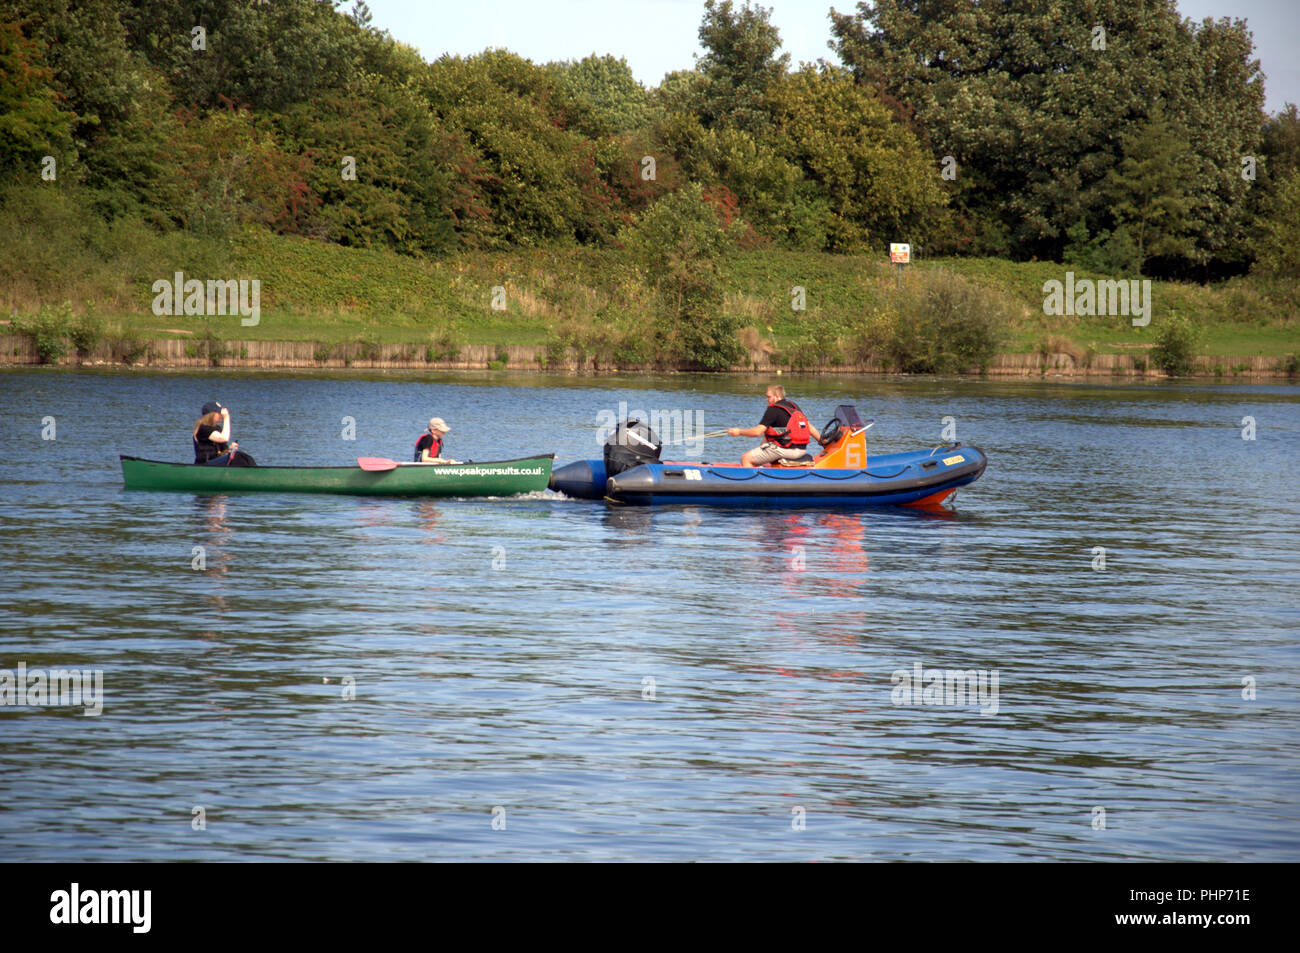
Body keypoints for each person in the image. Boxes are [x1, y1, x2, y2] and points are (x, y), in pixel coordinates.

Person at [727, 385, 822, 467]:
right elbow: (809, 427)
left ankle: (752, 485)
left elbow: (757, 432)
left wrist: (739, 432)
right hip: (801, 450)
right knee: (764, 443)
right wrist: (821, 441)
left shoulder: (773, 410)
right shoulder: (793, 406)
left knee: (746, 458)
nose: (767, 399)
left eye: (768, 397)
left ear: (776, 396)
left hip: (786, 450)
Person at [193, 401, 255, 466]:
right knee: (237, 456)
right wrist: (226, 417)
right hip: (205, 464)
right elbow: (224, 438)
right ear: (212, 414)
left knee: (244, 457)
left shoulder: (217, 429)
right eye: (219, 413)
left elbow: (221, 452)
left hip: (217, 462)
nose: (221, 415)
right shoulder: (202, 428)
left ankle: (255, 472)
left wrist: (229, 449)